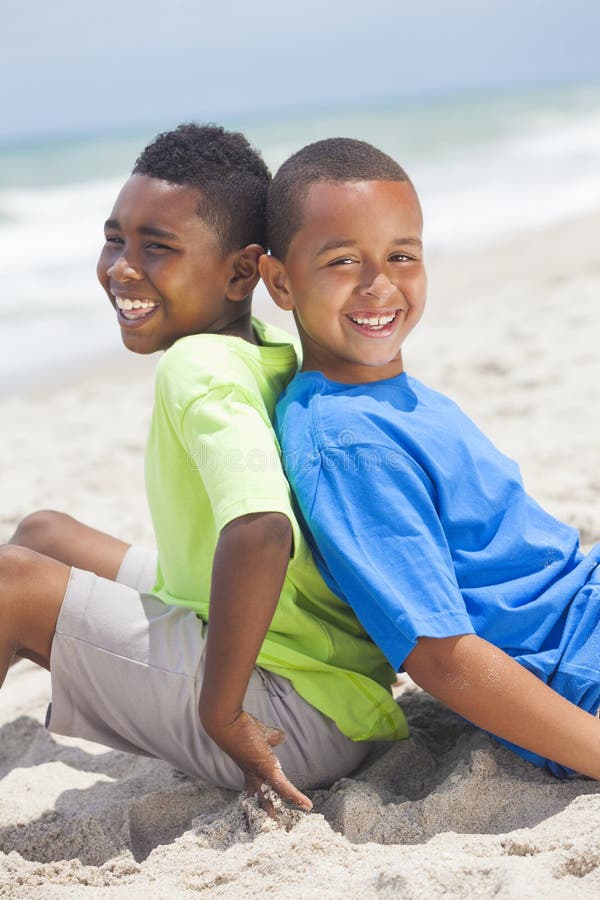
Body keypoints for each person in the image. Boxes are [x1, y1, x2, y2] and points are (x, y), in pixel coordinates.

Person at [3, 125, 406, 813]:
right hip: (337, 688)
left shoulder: (197, 367)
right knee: (41, 534)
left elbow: (261, 528)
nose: (122, 268)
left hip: (285, 721)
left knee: (8, 582)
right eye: (115, 238)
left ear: (242, 273)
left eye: (157, 248)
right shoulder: (269, 348)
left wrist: (223, 716)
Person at [261, 137, 600, 780]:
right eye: (342, 261)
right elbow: (437, 655)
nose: (379, 285)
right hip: (574, 658)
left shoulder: (394, 395)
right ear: (280, 280)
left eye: (401, 256)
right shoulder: (347, 444)